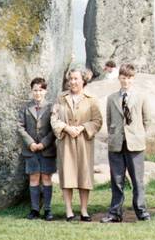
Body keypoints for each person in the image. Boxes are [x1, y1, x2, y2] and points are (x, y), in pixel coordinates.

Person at [99, 63, 151, 222]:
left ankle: (141, 211)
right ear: (119, 78)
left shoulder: (141, 97)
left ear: (133, 79)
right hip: (116, 144)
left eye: (129, 78)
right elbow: (109, 120)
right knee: (117, 180)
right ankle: (115, 213)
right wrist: (115, 135)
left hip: (135, 144)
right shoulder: (112, 98)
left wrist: (138, 135)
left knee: (137, 180)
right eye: (123, 77)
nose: (126, 81)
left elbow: (147, 120)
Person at [50, 69, 103, 220]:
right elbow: (54, 119)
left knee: (83, 175)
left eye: (76, 79)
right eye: (70, 79)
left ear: (83, 81)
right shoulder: (61, 98)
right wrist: (66, 128)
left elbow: (97, 120)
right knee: (67, 175)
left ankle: (84, 210)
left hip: (84, 141)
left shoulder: (91, 99)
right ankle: (69, 211)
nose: (73, 82)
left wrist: (82, 128)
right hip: (66, 141)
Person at [16, 77, 56, 219]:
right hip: (31, 150)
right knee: (34, 178)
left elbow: (54, 129)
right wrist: (31, 143)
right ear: (31, 91)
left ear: (45, 91)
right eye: (35, 90)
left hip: (47, 150)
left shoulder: (51, 107)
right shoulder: (26, 108)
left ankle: (47, 209)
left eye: (40, 90)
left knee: (46, 177)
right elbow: (20, 127)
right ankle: (34, 209)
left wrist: (43, 143)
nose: (38, 93)